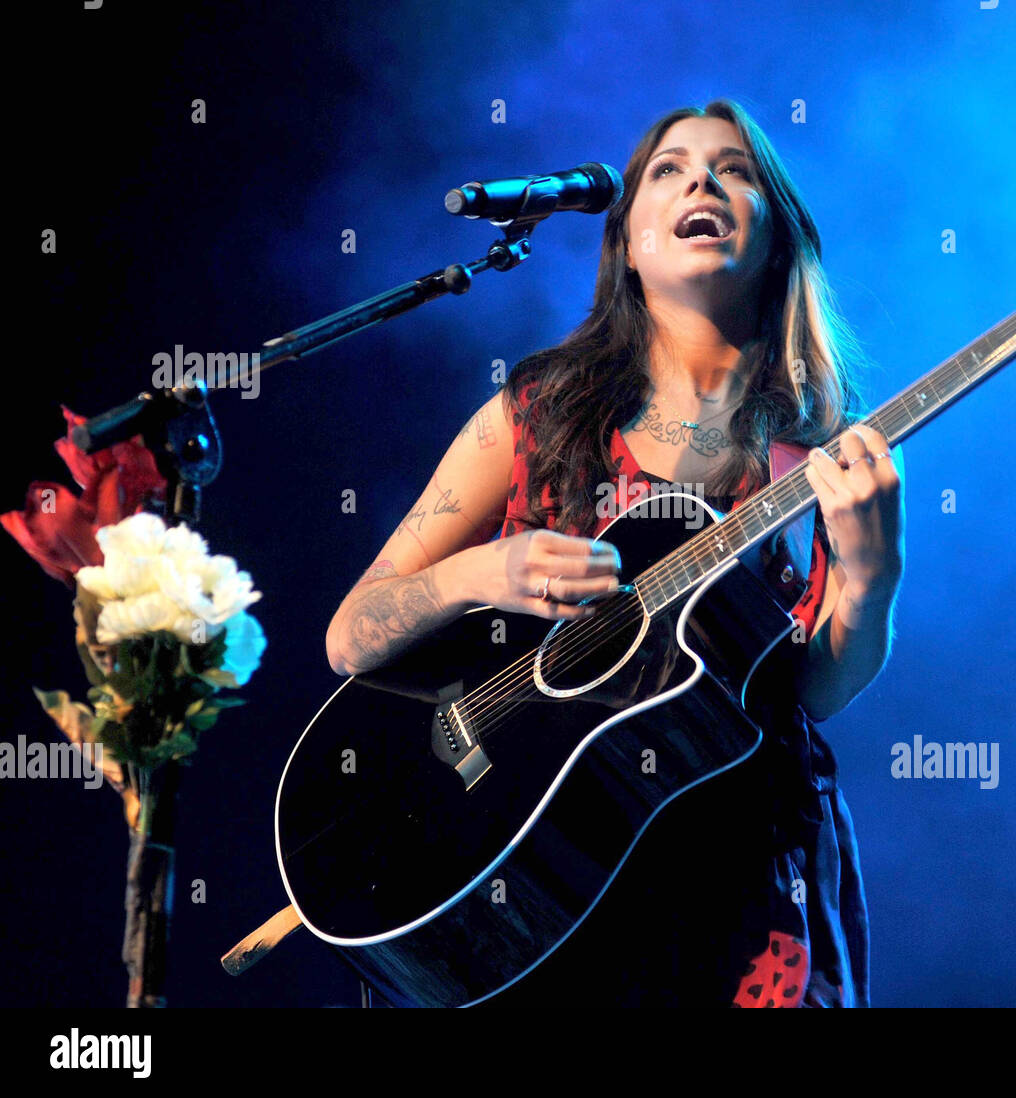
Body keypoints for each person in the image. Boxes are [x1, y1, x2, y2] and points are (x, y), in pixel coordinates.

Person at [324, 99, 904, 1007]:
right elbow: (353, 634)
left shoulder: (824, 450)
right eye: (668, 169)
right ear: (628, 243)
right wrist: (484, 572)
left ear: (779, 238)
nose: (702, 180)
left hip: (732, 879)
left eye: (736, 169)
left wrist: (872, 578)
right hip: (535, 866)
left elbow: (815, 692)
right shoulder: (530, 415)